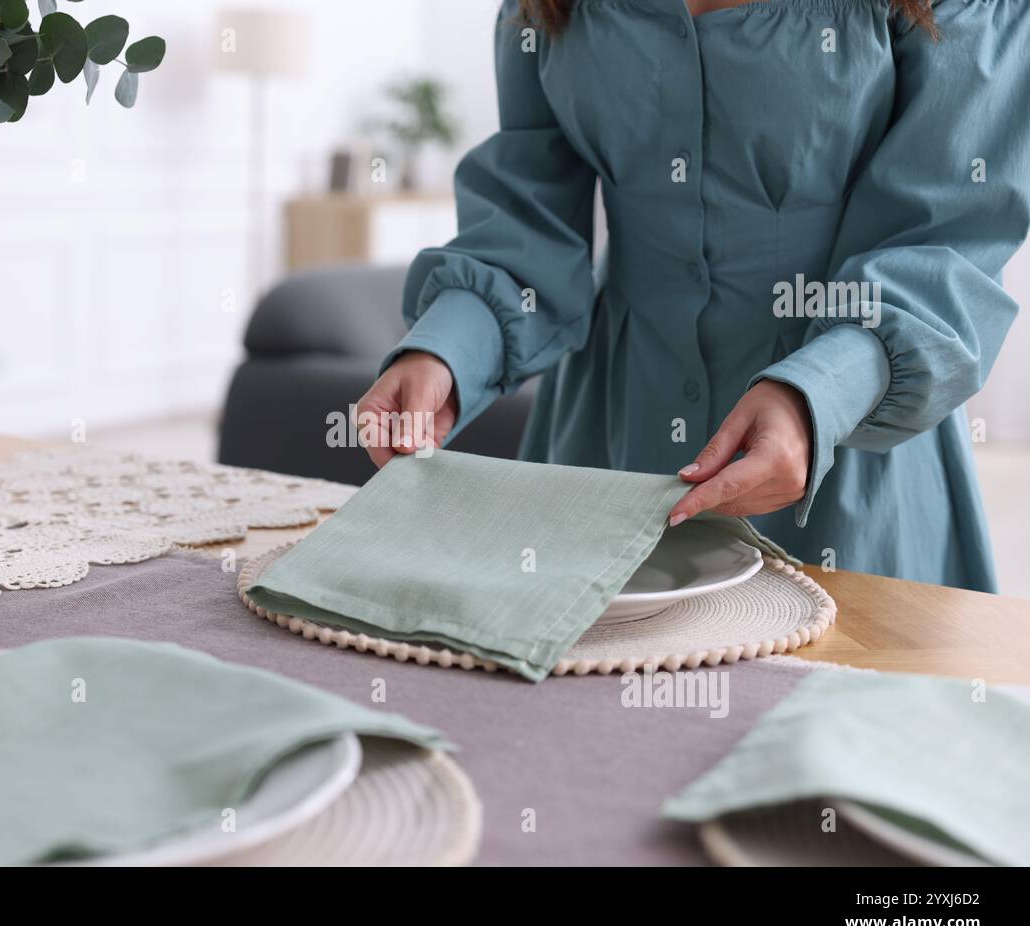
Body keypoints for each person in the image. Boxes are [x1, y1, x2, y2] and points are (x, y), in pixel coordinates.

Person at [358, 0, 1030, 590]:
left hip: (852, 454)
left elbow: (947, 239)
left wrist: (815, 395)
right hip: (606, 449)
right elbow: (530, 218)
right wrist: (445, 351)